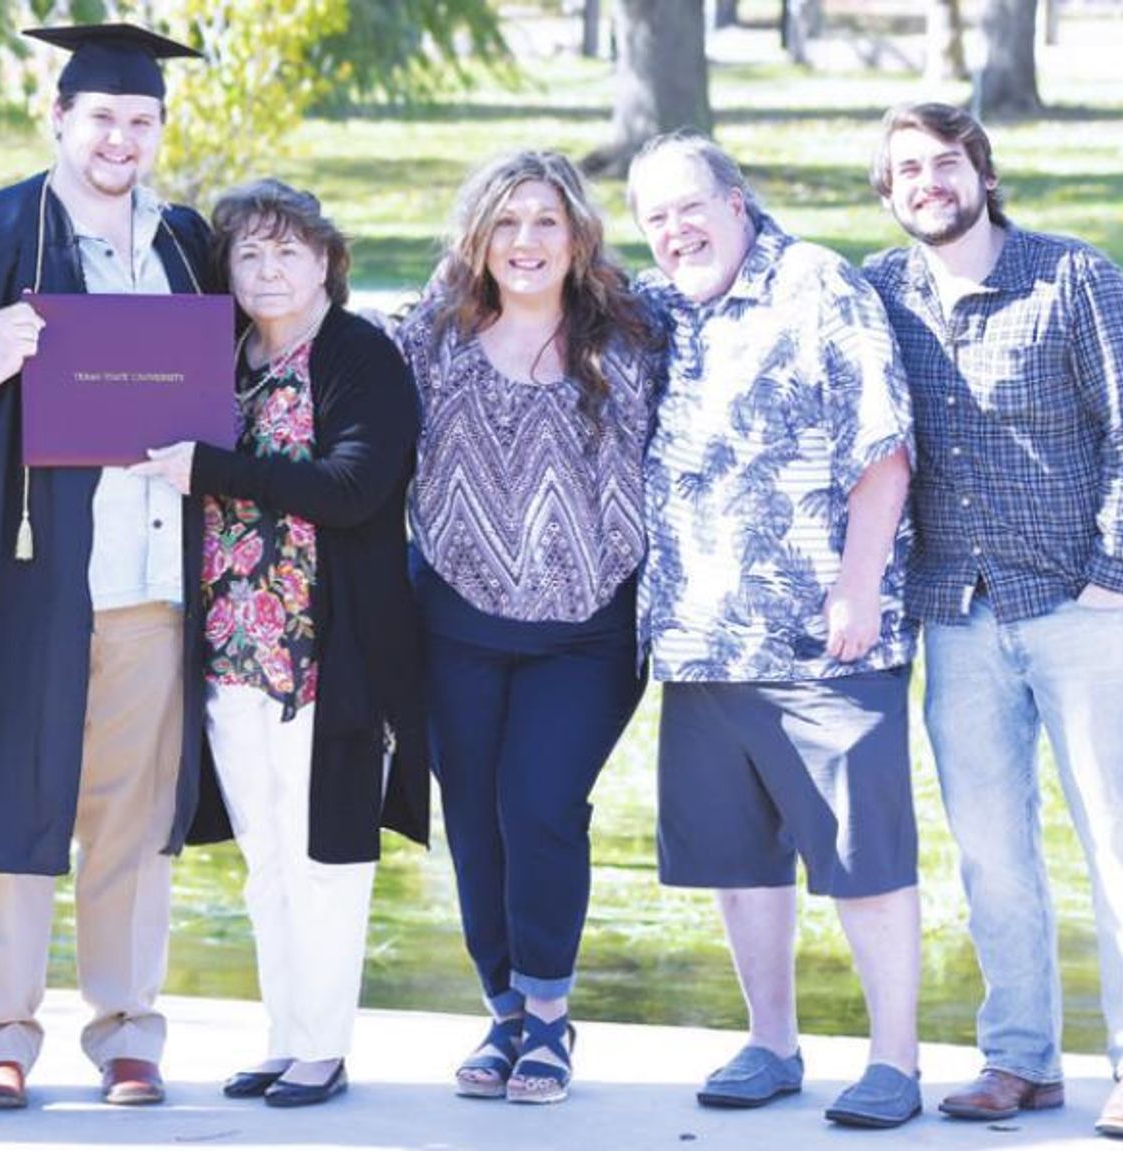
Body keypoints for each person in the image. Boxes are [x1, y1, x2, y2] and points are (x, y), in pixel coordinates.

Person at [0, 23, 213, 1111]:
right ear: (60, 118)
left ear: (159, 128)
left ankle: (128, 1030)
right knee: (5, 794)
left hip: (153, 578)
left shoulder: (184, 243)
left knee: (132, 814)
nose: (121, 137)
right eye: (103, 118)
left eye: (141, 119)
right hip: (24, 570)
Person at [627, 131, 922, 1129]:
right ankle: (772, 1039)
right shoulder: (663, 305)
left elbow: (882, 448)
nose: (675, 231)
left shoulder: (815, 287)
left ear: (737, 203)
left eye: (689, 207)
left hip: (820, 637)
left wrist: (858, 586)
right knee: (737, 857)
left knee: (861, 853)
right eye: (654, 217)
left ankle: (894, 1060)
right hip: (702, 639)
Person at [132, 180, 429, 1107]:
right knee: (265, 856)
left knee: (325, 854)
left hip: (324, 650)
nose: (268, 270)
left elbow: (354, 488)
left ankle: (324, 1045)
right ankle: (283, 1032)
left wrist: (210, 467)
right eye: (249, 255)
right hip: (231, 645)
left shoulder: (359, 354)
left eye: (288, 252)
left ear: (326, 259)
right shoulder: (219, 356)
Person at [864, 102, 1123, 1137]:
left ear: (980, 167)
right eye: (905, 171)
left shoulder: (1074, 277)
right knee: (992, 851)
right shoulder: (882, 294)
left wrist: (1114, 570)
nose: (926, 181)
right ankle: (1021, 1060)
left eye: (941, 161)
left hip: (1081, 607)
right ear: (887, 195)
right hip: (957, 616)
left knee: (1118, 846)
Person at [393, 151, 660, 1105]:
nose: (526, 241)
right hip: (454, 621)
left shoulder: (636, 335)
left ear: (578, 233)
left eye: (546, 220)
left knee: (540, 807)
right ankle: (504, 1012)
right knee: (472, 816)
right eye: (506, 223)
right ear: (478, 238)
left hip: (591, 627)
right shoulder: (429, 339)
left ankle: (549, 1016)